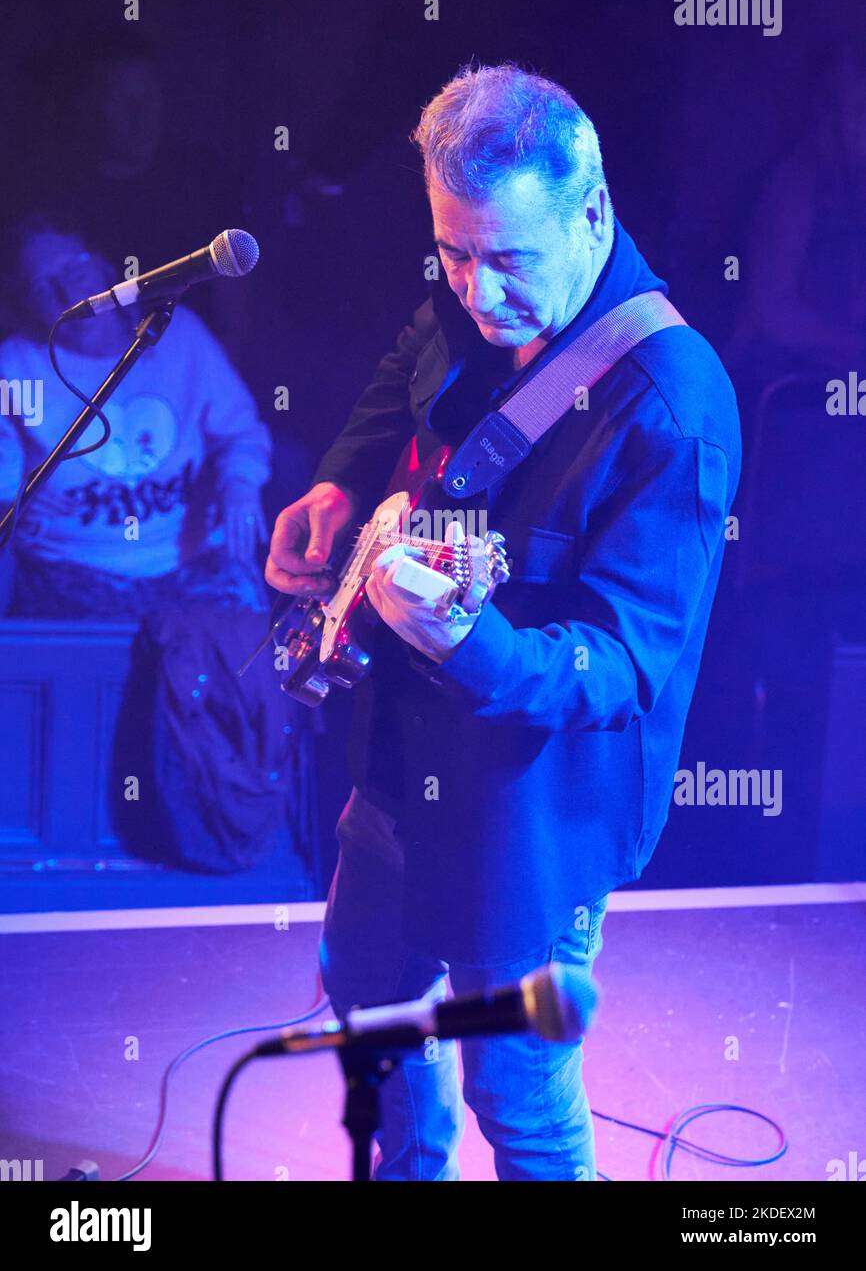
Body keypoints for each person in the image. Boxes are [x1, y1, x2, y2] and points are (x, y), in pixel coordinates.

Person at [265, 64, 741, 1181]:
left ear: (591, 213)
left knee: (516, 1093)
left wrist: (462, 644)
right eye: (454, 253)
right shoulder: (471, 284)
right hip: (398, 756)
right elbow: (404, 368)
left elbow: (622, 667)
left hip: (532, 810)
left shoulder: (672, 406)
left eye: (508, 260)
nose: (477, 292)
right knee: (373, 1010)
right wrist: (337, 484)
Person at [0, 218, 271, 619]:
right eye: (42, 285)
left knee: (244, 654)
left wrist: (240, 484)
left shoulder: (183, 337)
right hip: (70, 573)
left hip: (190, 563)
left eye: (74, 270)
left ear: (105, 268)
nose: (65, 289)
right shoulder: (15, 366)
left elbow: (240, 433)